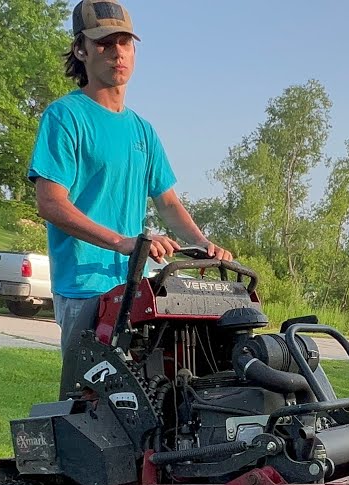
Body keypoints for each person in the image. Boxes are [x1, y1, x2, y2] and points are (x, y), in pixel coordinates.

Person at [27, 0, 232, 391]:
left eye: (124, 42)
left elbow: (168, 203)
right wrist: (122, 242)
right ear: (81, 49)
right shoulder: (65, 117)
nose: (117, 52)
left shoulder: (143, 131)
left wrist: (203, 244)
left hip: (138, 285)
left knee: (159, 393)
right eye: (104, 43)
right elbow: (50, 202)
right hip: (85, 286)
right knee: (86, 400)